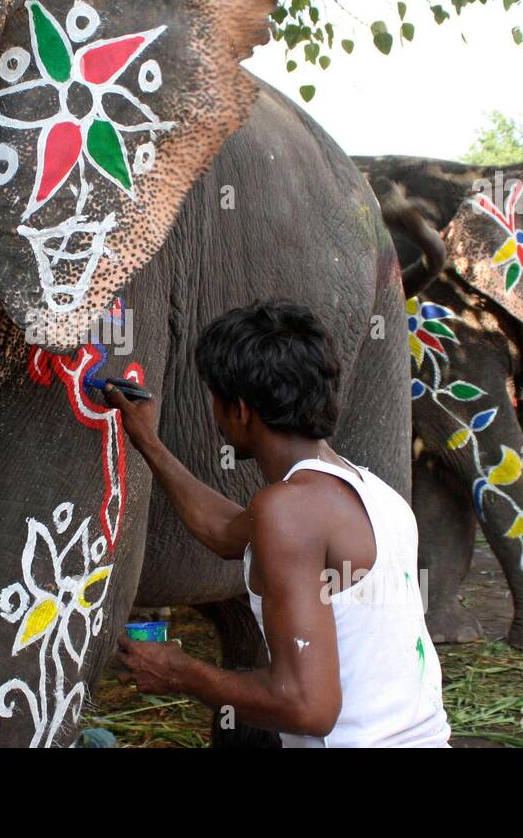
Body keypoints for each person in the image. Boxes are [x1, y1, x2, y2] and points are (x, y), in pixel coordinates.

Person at [106, 301, 450, 747]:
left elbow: (305, 706)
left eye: (214, 397)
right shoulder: (369, 493)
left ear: (242, 410)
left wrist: (179, 672)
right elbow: (224, 532)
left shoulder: (288, 509)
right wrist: (148, 443)